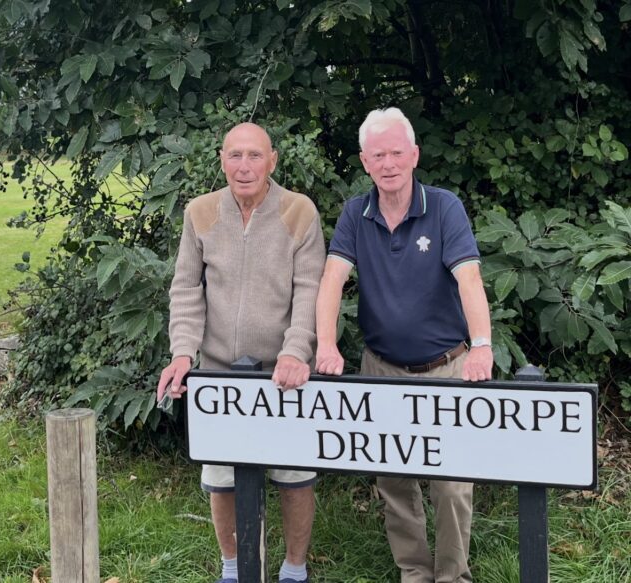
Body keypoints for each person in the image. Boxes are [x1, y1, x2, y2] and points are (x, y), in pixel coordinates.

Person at [314, 107, 493, 583]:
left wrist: (482, 346)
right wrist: (326, 345)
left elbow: (469, 280)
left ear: (414, 155)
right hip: (382, 369)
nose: (388, 163)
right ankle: (413, 572)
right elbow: (333, 279)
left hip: (446, 369)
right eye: (378, 155)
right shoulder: (356, 212)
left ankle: (453, 576)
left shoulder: (444, 207)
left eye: (396, 152)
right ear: (364, 162)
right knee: (393, 480)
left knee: (452, 487)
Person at [156, 122, 325, 583]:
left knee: (294, 476)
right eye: (235, 156)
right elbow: (187, 288)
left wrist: (296, 351)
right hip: (218, 373)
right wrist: (182, 353)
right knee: (223, 479)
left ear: (272, 160)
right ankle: (233, 567)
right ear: (221, 159)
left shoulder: (299, 212)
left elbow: (310, 291)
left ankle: (294, 568)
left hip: (282, 373)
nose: (244, 166)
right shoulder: (200, 212)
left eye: (254, 156)